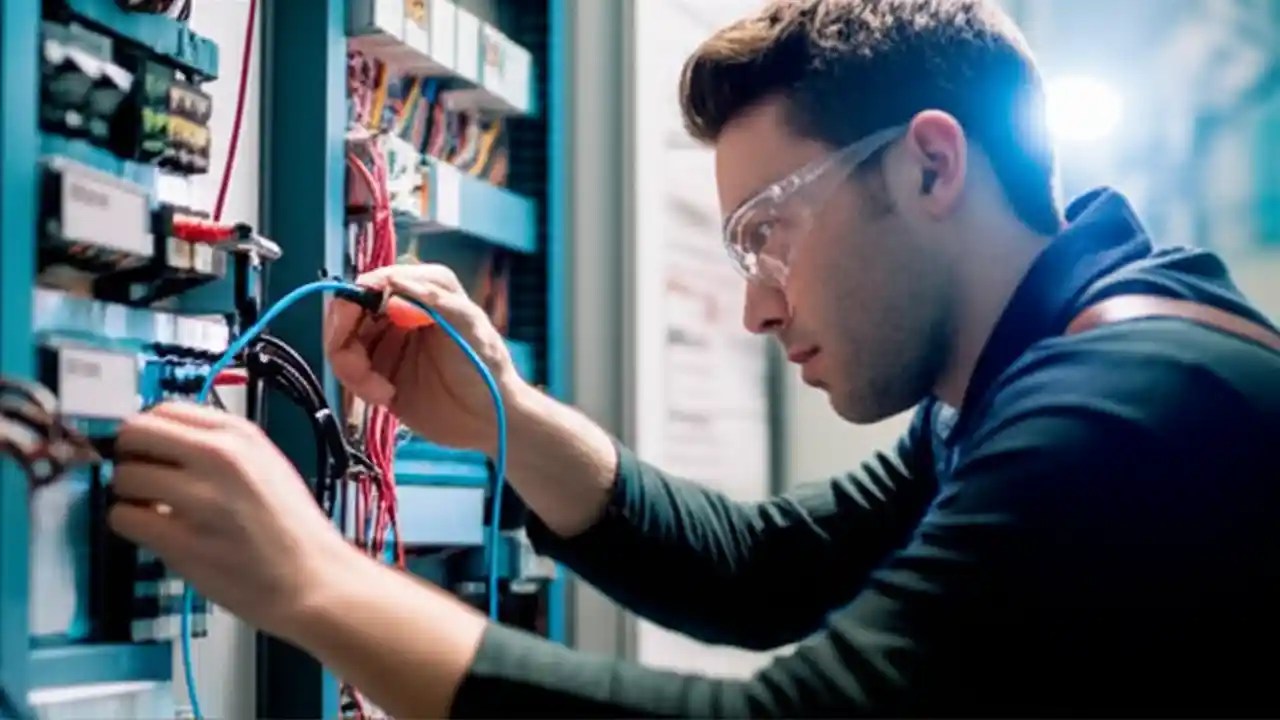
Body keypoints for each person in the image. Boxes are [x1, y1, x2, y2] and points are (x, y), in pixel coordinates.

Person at [109, 0, 1280, 716]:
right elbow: (764, 574)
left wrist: (315, 586)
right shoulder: (1017, 380)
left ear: (930, 165)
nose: (754, 310)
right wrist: (500, 416)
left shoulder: (1126, 408)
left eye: (769, 231)